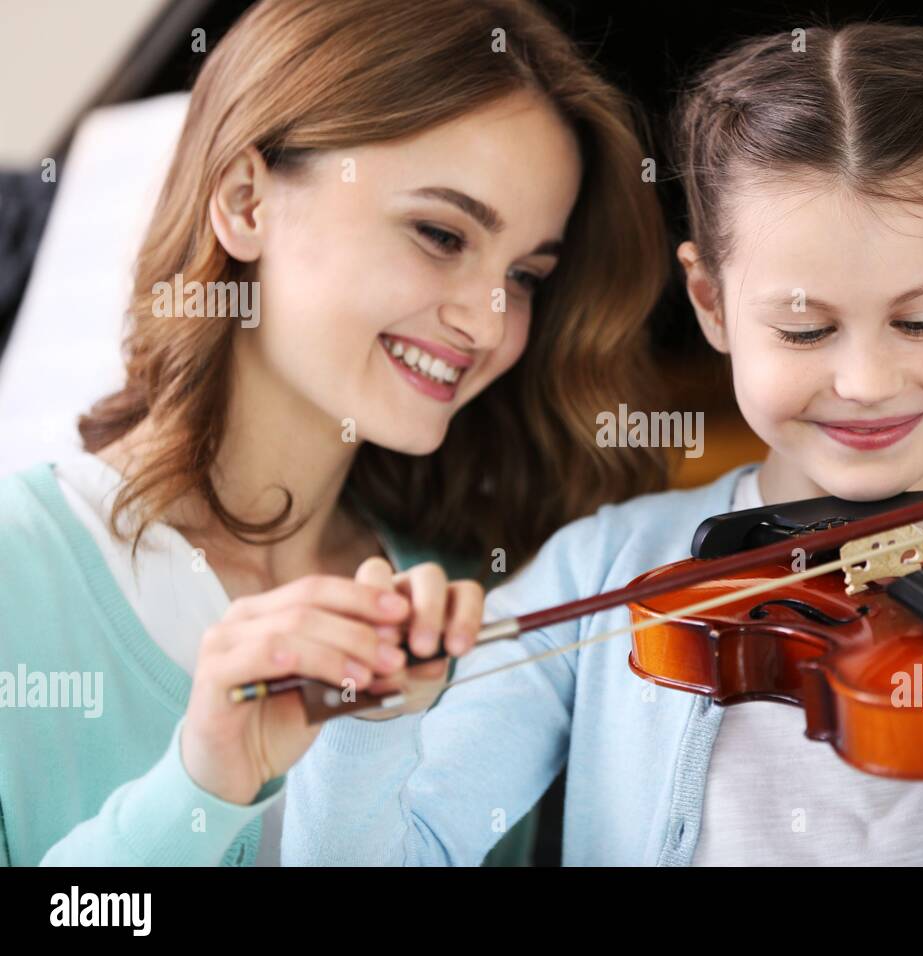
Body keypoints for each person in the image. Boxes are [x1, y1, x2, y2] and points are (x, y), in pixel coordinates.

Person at [283, 22, 923, 866]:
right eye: (805, 331)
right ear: (712, 302)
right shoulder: (605, 576)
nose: (867, 382)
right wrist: (367, 724)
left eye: (922, 320)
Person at [0, 0, 670, 866]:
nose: (487, 321)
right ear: (246, 202)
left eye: (527, 275)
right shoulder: (17, 575)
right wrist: (198, 788)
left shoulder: (471, 613)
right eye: (439, 234)